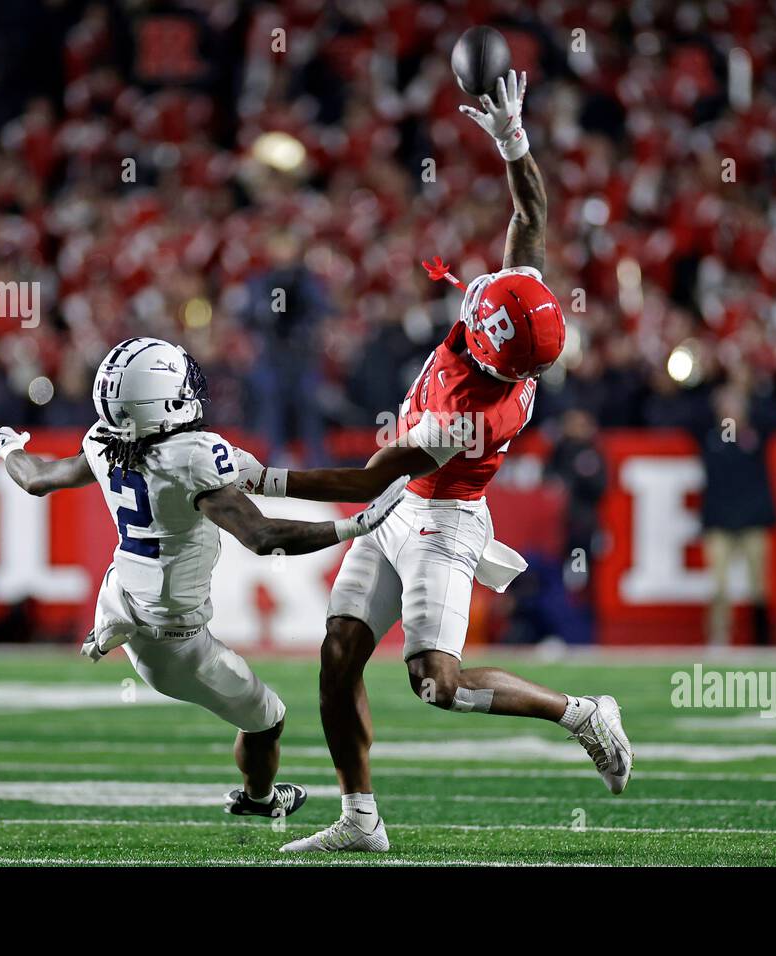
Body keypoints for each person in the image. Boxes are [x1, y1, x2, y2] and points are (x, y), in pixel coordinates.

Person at [235, 71, 633, 854]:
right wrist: (513, 140)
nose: (475, 302)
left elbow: (366, 479)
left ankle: (581, 713)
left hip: (437, 518)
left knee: (435, 685)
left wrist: (260, 477)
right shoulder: (517, 308)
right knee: (338, 654)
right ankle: (360, 821)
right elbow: (532, 212)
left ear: (500, 351)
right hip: (401, 501)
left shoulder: (476, 416)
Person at [0, 336, 407, 820]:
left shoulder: (105, 440)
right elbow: (262, 536)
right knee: (268, 718)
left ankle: (110, 623)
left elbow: (39, 478)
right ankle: (260, 800)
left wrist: (7, 448)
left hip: (125, 589)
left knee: (141, 586)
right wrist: (351, 526)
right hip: (174, 640)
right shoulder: (192, 456)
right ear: (162, 400)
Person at [693, 384, 776, 646]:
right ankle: (719, 636)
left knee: (759, 585)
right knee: (718, 585)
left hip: (752, 518)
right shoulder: (709, 437)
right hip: (719, 519)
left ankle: (762, 640)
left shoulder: (756, 436)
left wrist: (749, 384)